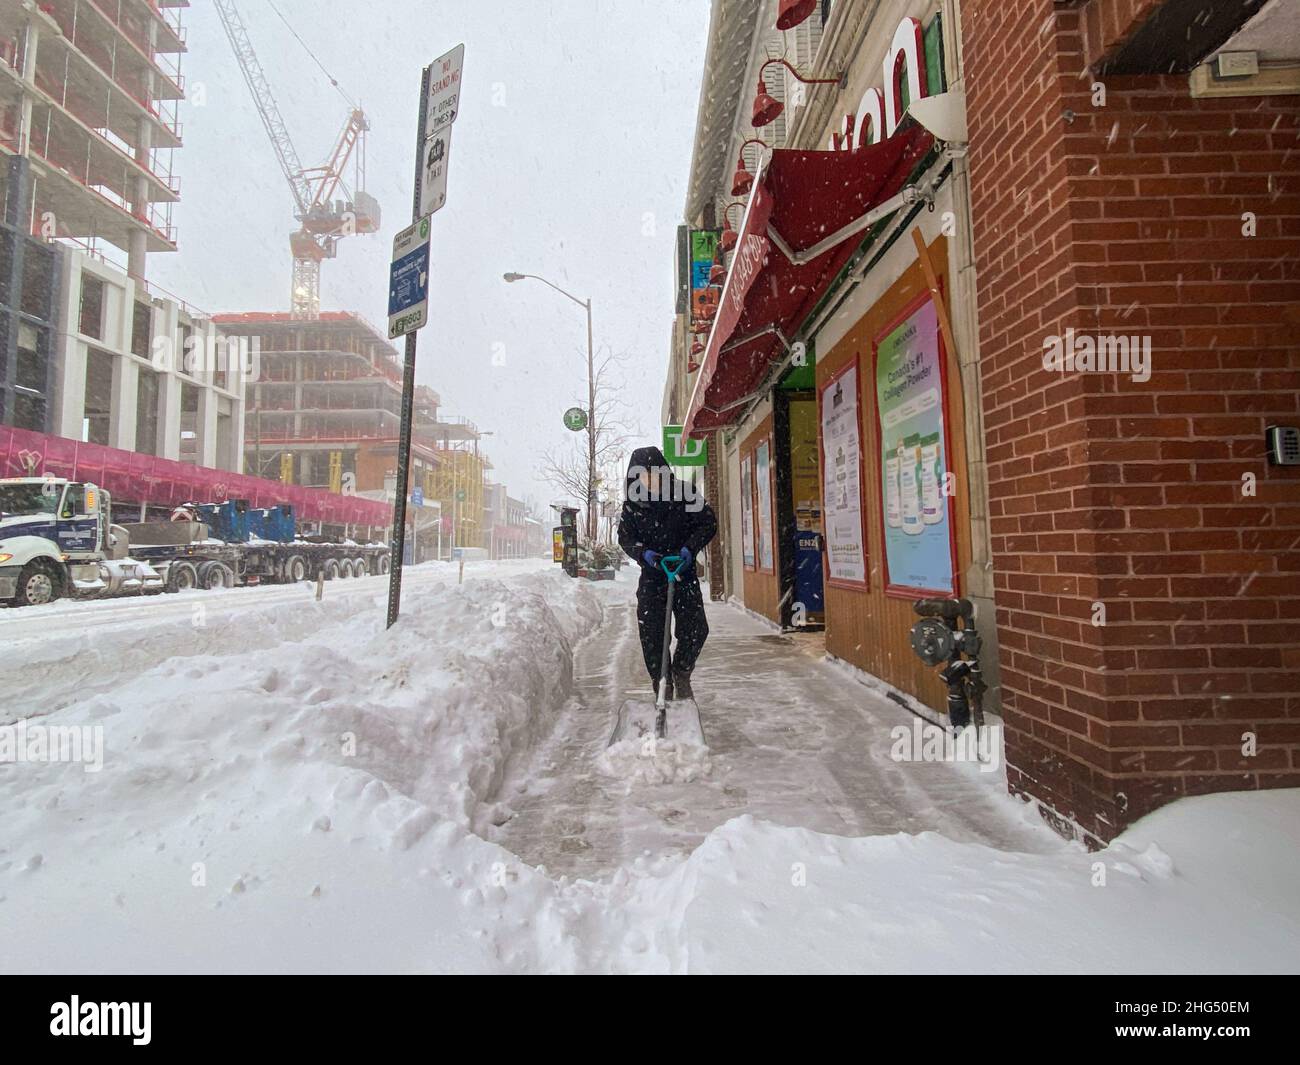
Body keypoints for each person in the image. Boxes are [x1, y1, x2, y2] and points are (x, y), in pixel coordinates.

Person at [617, 446, 717, 700]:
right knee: (653, 634)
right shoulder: (633, 504)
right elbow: (625, 537)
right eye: (644, 474)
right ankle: (661, 681)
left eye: (655, 472)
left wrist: (689, 548)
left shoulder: (685, 494)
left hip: (683, 572)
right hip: (653, 576)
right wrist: (643, 553)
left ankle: (681, 671)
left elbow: (708, 523)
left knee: (696, 628)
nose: (651, 479)